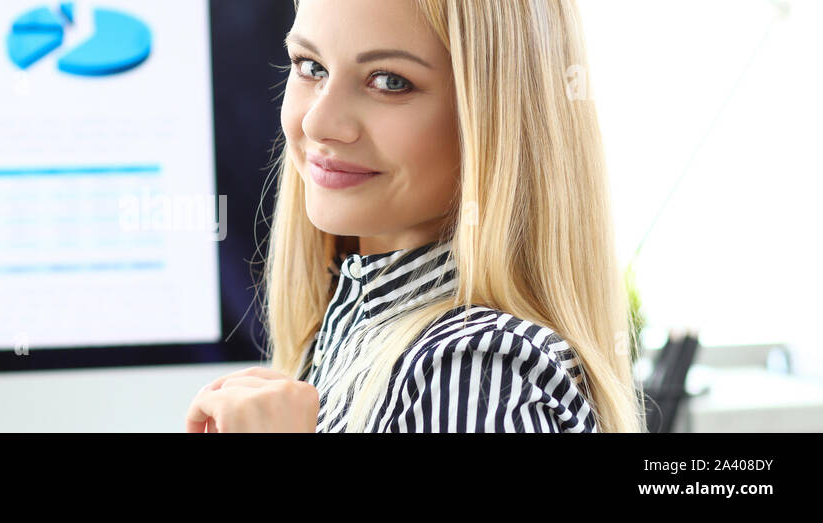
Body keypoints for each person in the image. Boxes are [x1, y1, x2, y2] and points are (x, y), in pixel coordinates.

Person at [185, 0, 646, 433]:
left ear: (494, 116)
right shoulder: (351, 323)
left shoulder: (473, 373)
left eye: (389, 81)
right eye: (312, 67)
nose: (317, 123)